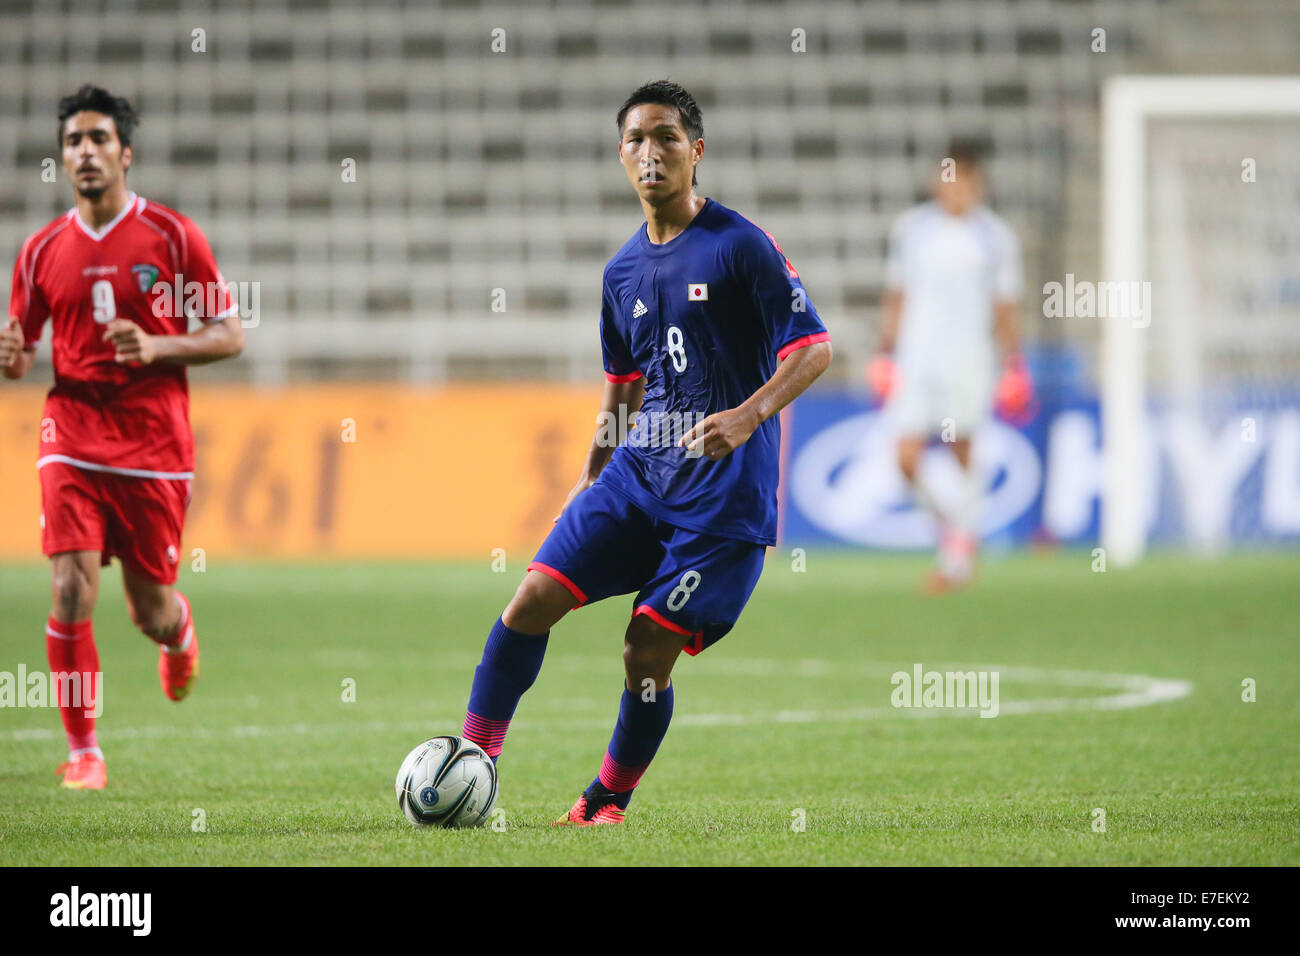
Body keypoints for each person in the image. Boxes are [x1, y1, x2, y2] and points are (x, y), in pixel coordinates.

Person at [456, 80, 832, 825]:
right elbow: (623, 387)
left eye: (665, 138)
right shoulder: (621, 272)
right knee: (530, 601)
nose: (650, 153)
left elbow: (815, 349)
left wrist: (748, 415)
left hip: (722, 503)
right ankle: (473, 760)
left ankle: (607, 799)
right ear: (620, 155)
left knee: (643, 654)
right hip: (637, 477)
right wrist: (590, 477)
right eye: (635, 139)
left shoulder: (740, 246)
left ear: (697, 152)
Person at [0, 85, 245, 789]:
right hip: (71, 430)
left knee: (149, 609)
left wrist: (159, 347)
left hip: (153, 444)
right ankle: (85, 751)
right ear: (63, 159)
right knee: (69, 587)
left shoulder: (171, 237)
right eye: (73, 141)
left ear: (125, 154)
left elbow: (231, 335)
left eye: (98, 139)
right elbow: (23, 351)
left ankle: (179, 632)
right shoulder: (40, 249)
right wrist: (13, 359)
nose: (85, 152)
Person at [867, 141, 1032, 590]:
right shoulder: (913, 229)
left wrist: (1015, 366)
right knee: (904, 458)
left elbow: (1005, 307)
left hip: (969, 361)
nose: (952, 188)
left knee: (963, 449)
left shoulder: (995, 238)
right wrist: (885, 353)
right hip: (917, 360)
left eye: (961, 180)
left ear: (978, 186)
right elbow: (898, 294)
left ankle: (958, 559)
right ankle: (958, 532)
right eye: (946, 178)